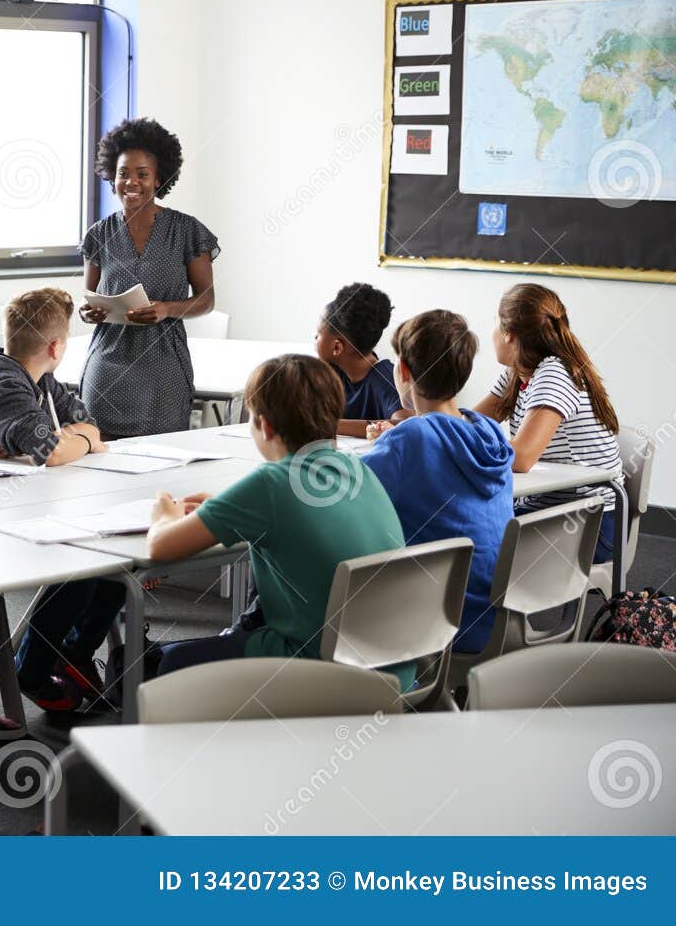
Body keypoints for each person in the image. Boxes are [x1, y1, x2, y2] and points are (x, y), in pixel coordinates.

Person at [147, 354, 412, 689]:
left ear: (265, 425)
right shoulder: (359, 469)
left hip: (322, 673)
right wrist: (227, 509)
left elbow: (160, 547)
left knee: (173, 663)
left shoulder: (272, 482)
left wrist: (164, 516)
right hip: (393, 669)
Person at [0, 288, 118, 710]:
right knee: (83, 561)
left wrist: (70, 438)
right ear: (55, 346)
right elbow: (55, 451)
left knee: (108, 561)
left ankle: (55, 659)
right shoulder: (2, 385)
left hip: (24, 502)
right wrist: (69, 442)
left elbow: (89, 425)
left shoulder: (38, 379)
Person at [361, 310, 513, 653]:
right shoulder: (489, 432)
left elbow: (343, 493)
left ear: (402, 370)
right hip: (492, 616)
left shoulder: (410, 439)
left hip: (432, 621)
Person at [78, 118, 219, 439]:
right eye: (123, 173)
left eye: (142, 174)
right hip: (107, 364)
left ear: (158, 179)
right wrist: (88, 311)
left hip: (163, 366)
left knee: (165, 455)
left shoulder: (187, 231)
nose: (131, 182)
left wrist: (167, 309)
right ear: (111, 177)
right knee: (100, 458)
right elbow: (88, 293)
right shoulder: (98, 234)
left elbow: (206, 300)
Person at [472, 283, 623, 562]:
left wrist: (461, 446)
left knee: (468, 538)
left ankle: (480, 605)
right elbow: (471, 423)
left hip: (591, 523)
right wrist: (423, 424)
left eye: (495, 324)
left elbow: (523, 457)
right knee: (462, 526)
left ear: (509, 335)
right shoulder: (518, 372)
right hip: (551, 509)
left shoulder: (554, 371)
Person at [314, 282, 408, 437]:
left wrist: (330, 425)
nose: (315, 338)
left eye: (318, 334)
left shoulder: (385, 378)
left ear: (337, 347)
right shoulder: (330, 371)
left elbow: (405, 425)